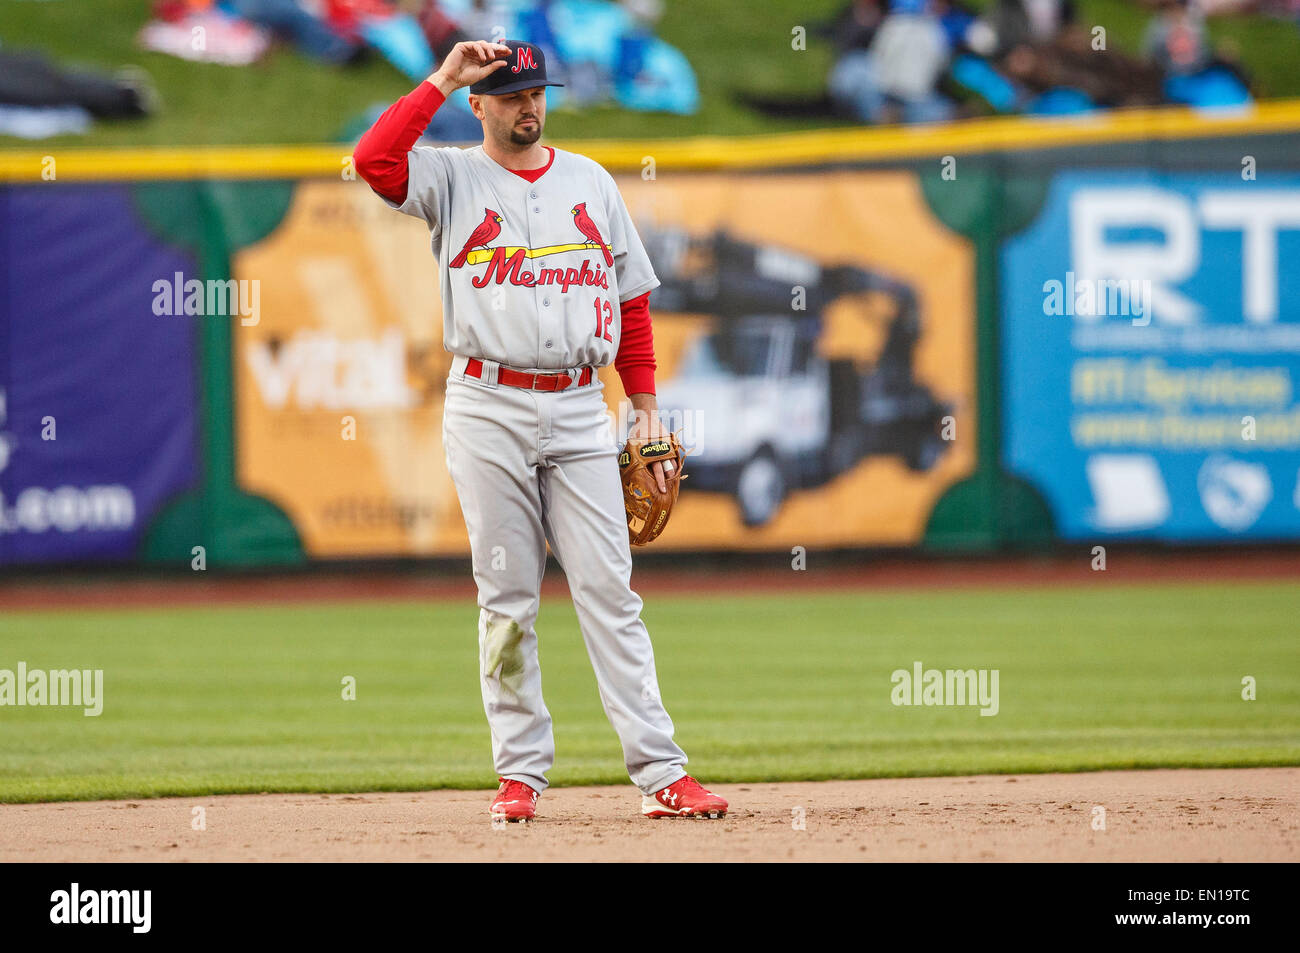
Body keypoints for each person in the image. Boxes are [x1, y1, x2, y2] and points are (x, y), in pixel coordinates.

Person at [351, 39, 728, 822]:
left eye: (537, 92)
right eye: (511, 93)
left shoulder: (589, 180)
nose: (529, 105)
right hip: (486, 404)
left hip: (580, 404)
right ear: (479, 104)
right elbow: (374, 161)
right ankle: (519, 774)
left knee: (610, 591)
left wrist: (645, 410)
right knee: (507, 596)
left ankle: (663, 770)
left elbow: (631, 306)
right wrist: (442, 77)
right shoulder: (451, 176)